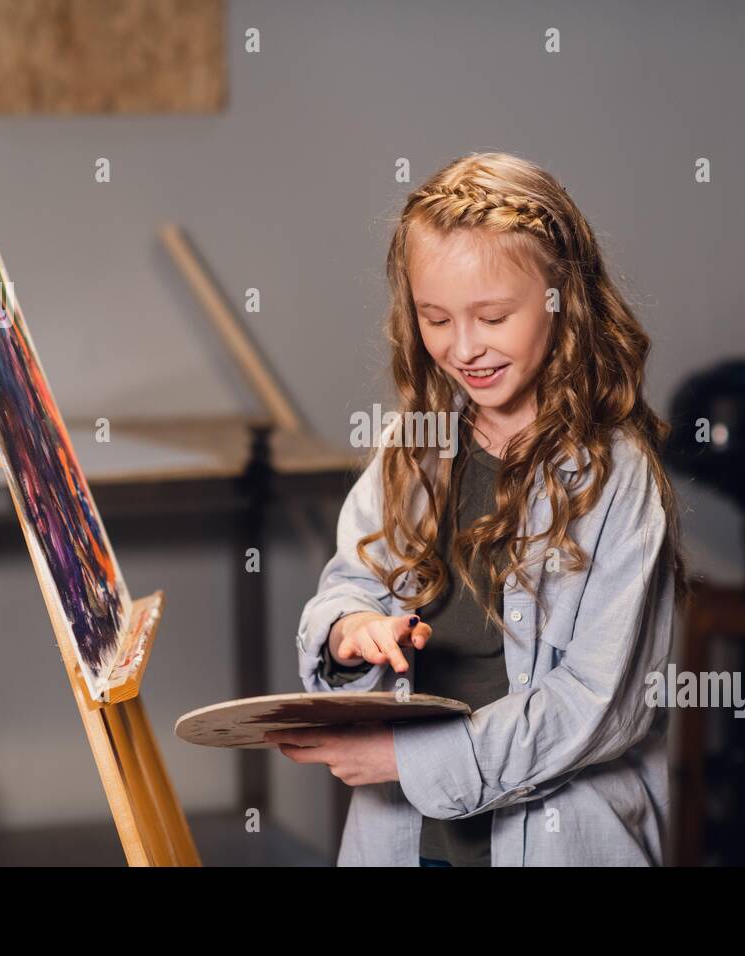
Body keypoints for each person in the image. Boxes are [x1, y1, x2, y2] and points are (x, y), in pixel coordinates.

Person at [265, 151, 688, 866]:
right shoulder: (413, 447)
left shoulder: (618, 474)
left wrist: (408, 760)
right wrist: (350, 629)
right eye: (435, 318)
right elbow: (351, 581)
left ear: (563, 301)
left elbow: (603, 704)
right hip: (406, 843)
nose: (463, 348)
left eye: (492, 316)